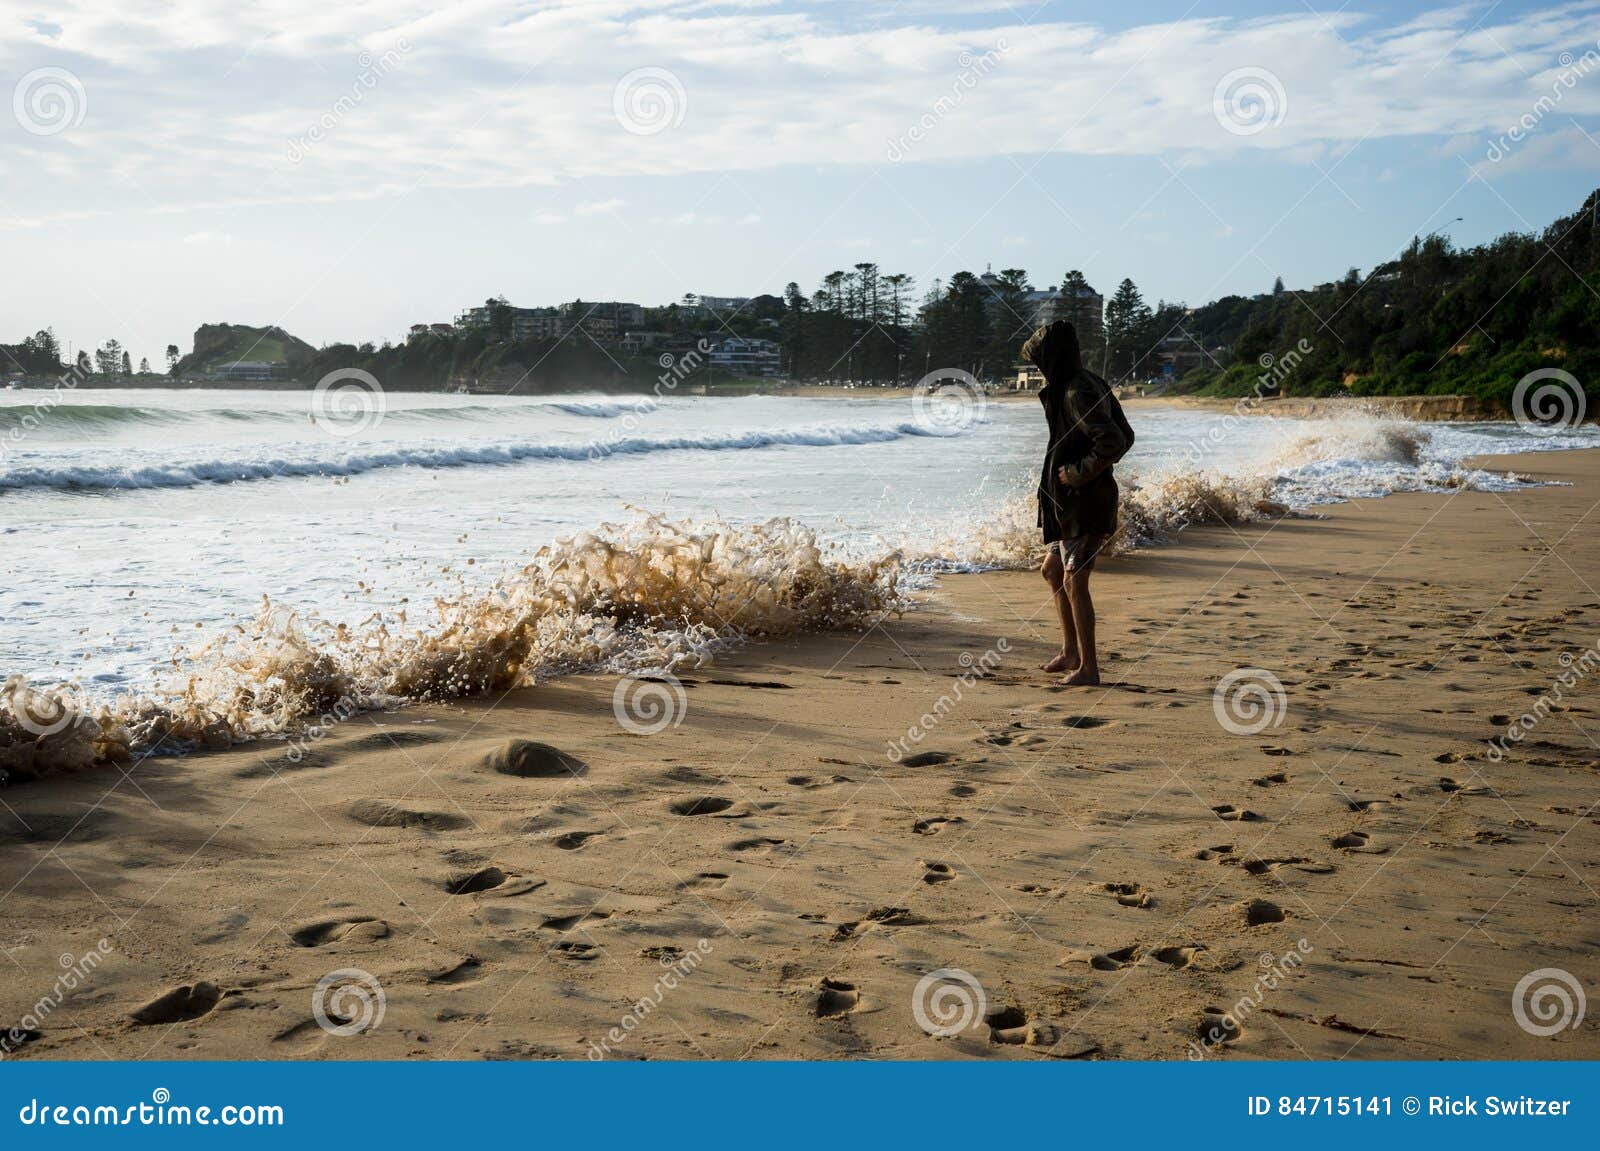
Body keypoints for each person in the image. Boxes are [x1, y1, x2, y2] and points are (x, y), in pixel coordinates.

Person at [1022, 320, 1134, 686]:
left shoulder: (1076, 391)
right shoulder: (1079, 384)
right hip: (1067, 505)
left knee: (1075, 580)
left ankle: (1089, 669)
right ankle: (1071, 652)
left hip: (1085, 502)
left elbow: (1116, 441)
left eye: (1040, 359)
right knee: (1053, 571)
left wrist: (1078, 473)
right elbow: (1126, 434)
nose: (1038, 368)